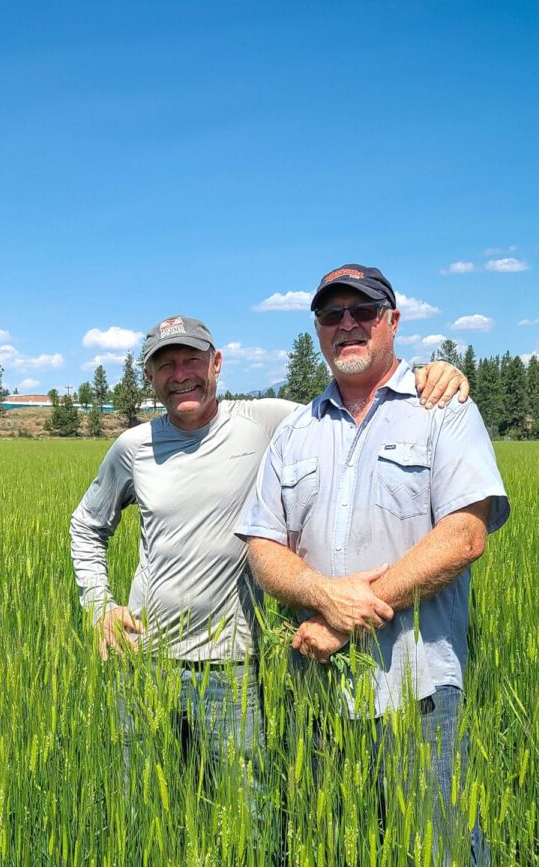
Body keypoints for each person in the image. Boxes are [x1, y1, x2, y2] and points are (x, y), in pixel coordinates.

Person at [69, 313, 468, 800]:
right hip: (143, 662)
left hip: (234, 670)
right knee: (142, 809)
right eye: (165, 365)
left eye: (191, 360)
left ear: (217, 364)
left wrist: (428, 374)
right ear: (150, 376)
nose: (180, 375)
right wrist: (99, 606)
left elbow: (357, 404)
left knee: (246, 815)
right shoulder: (133, 448)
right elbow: (86, 526)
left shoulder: (268, 421)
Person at [235, 264, 509, 867]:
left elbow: (464, 536)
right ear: (318, 329)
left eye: (363, 311)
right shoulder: (296, 430)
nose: (347, 325)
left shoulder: (442, 409)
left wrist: (344, 618)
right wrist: (322, 594)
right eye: (332, 315)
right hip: (316, 695)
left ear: (393, 321)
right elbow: (262, 547)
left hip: (417, 694)